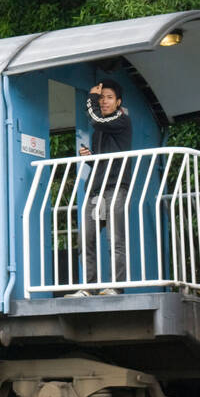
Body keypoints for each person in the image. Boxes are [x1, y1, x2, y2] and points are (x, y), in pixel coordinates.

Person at [73, 79, 133, 295]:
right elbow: (104, 160)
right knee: (85, 239)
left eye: (108, 97)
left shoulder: (121, 120)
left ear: (118, 102)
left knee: (115, 240)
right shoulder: (101, 127)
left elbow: (96, 120)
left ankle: (116, 287)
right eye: (101, 98)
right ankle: (90, 287)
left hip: (116, 187)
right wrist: (91, 158)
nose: (104, 102)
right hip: (96, 189)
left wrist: (90, 98)